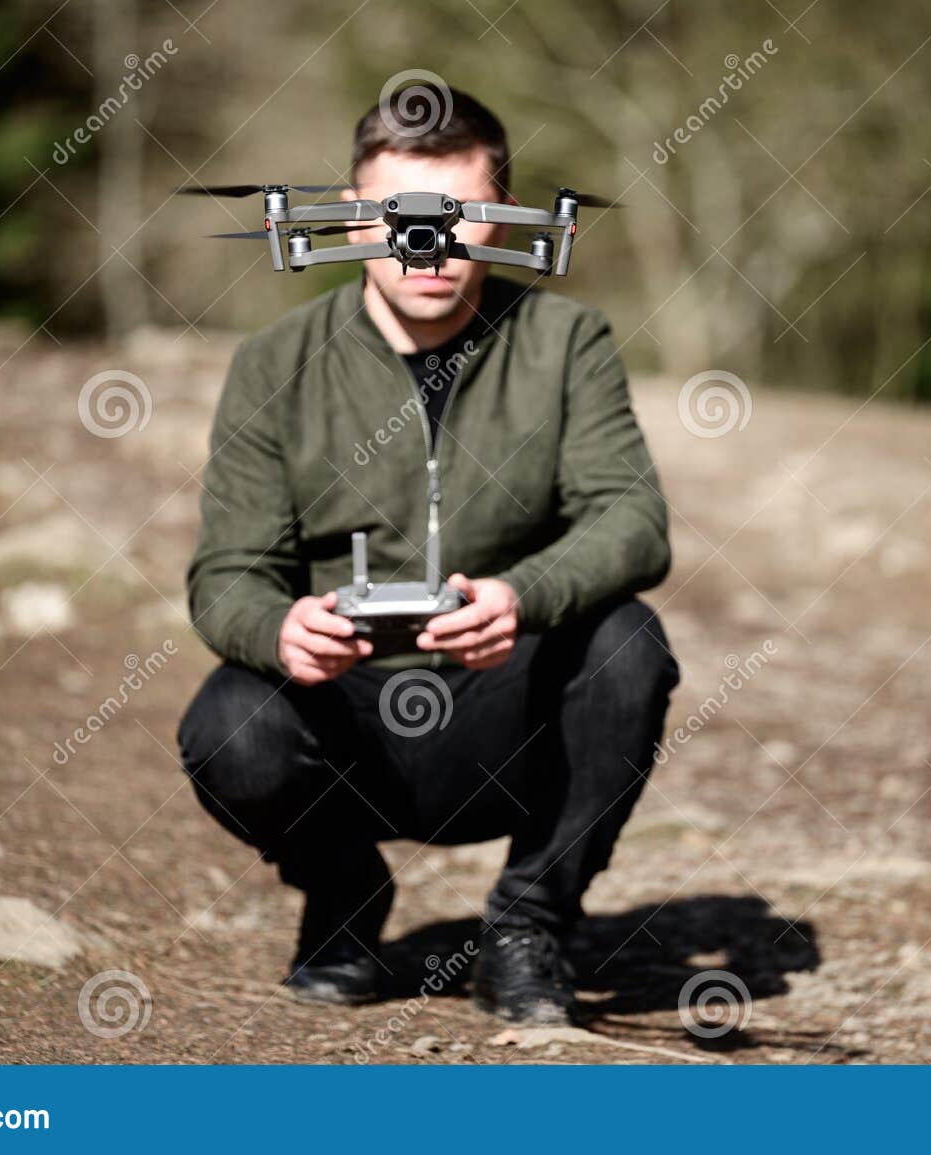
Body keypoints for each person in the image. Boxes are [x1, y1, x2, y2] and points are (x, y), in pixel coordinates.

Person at [177, 87, 678, 1026]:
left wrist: (523, 596)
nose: (430, 247)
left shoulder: (567, 341)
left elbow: (634, 520)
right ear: (354, 218)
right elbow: (225, 574)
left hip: (505, 705)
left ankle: (528, 926)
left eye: (460, 219)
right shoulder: (274, 360)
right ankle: (344, 898)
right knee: (229, 724)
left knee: (627, 644)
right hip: (347, 716)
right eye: (402, 219)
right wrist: (279, 626)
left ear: (502, 223)